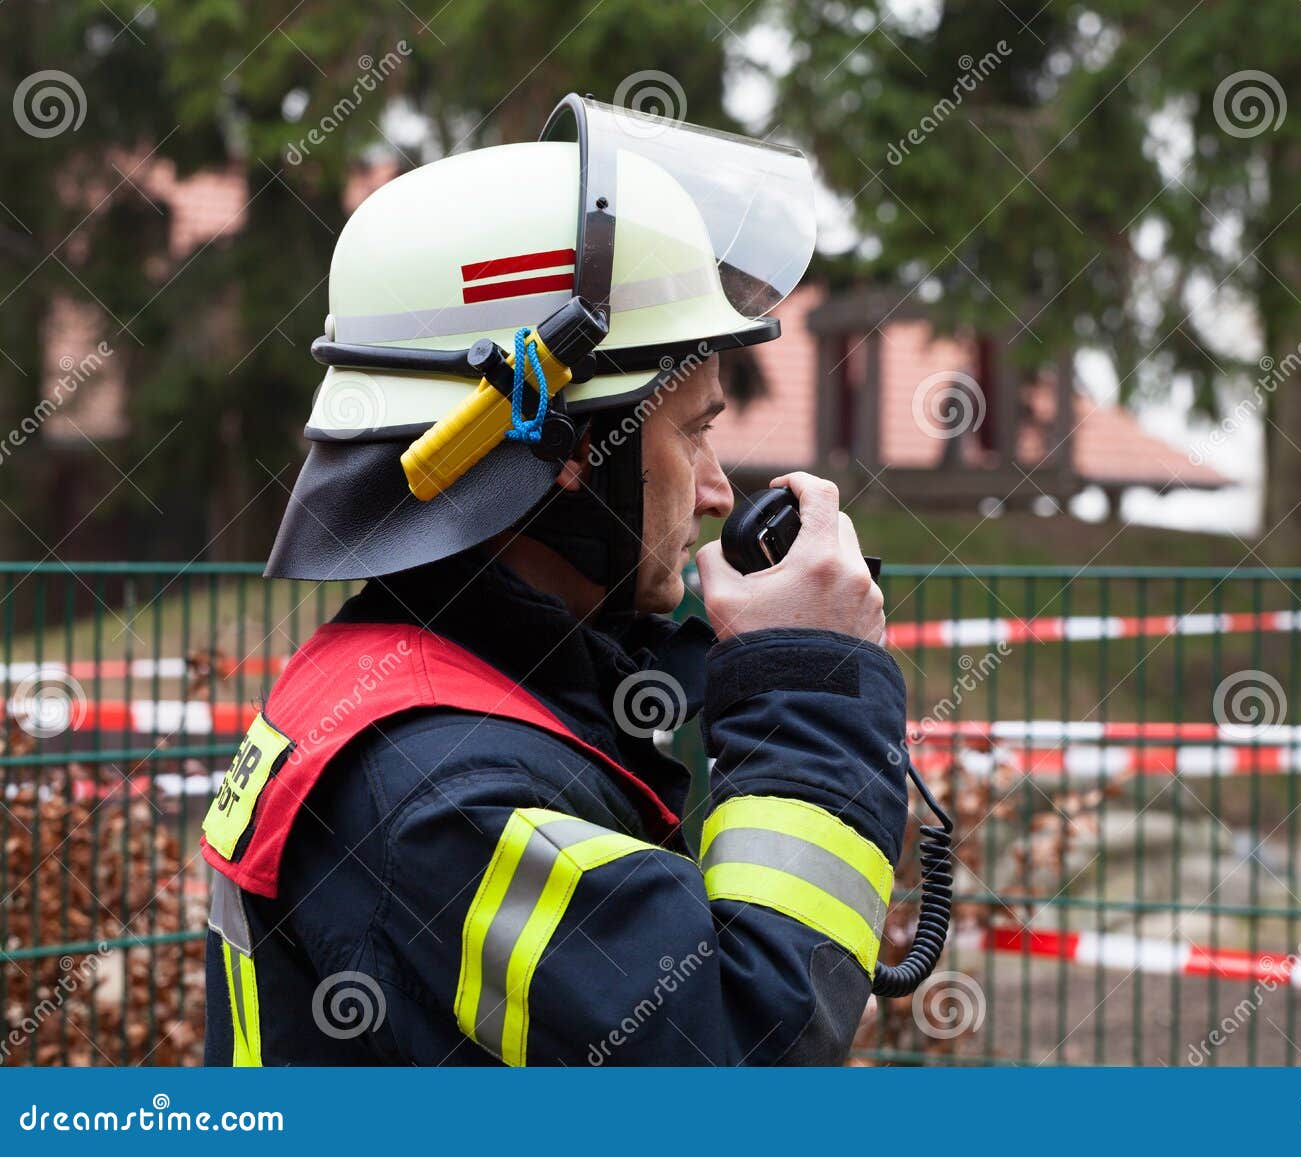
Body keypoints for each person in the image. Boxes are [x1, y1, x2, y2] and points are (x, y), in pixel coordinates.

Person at [199, 95, 910, 1066]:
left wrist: (721, 667)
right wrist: (811, 689)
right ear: (571, 450)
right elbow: (747, 1057)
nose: (714, 492)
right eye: (694, 431)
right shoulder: (449, 799)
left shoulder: (432, 687)